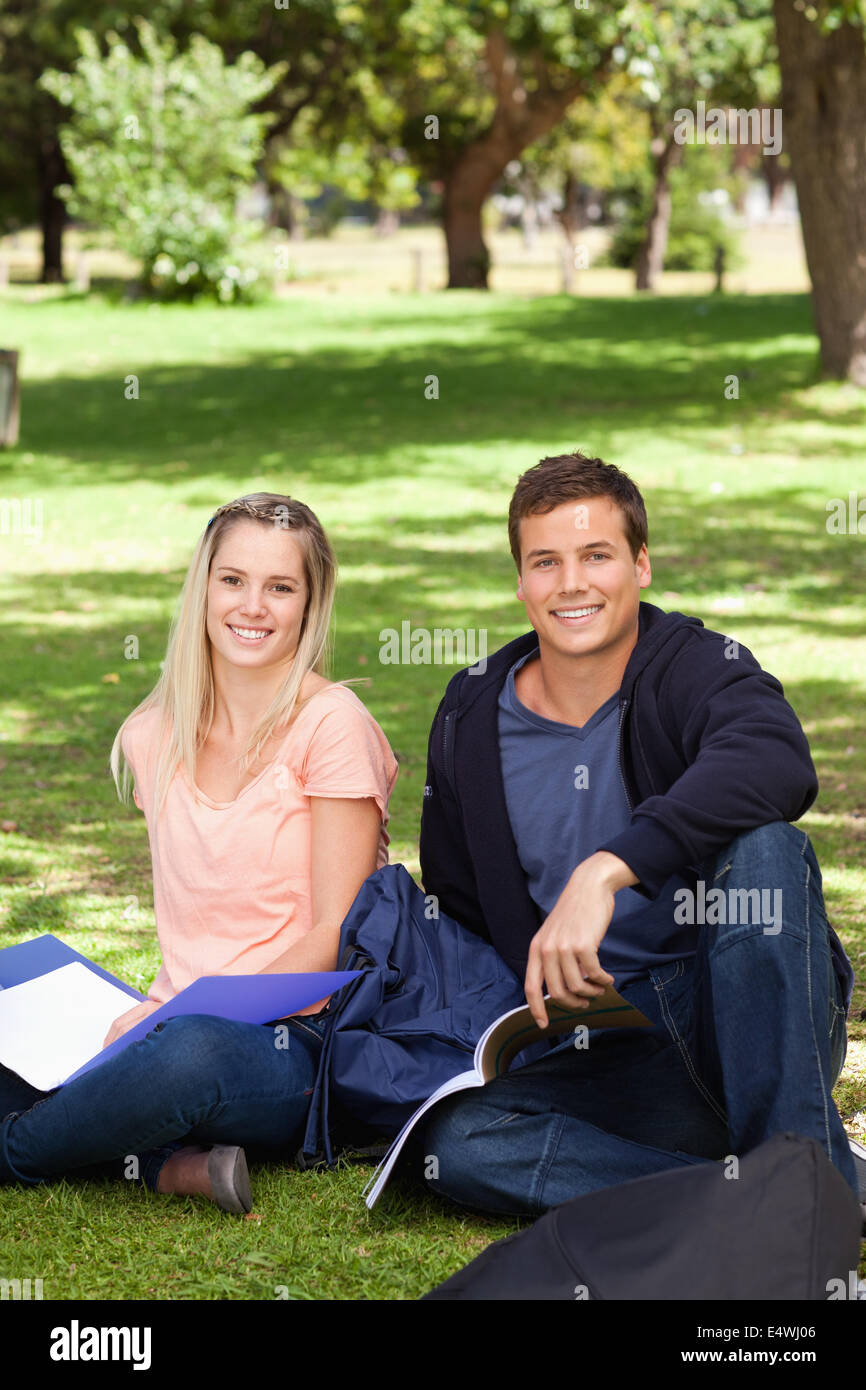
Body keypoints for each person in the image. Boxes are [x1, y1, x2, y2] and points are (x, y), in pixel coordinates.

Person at [417, 451, 859, 1216]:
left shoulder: (695, 665)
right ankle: (769, 1189)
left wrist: (607, 870)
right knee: (457, 1144)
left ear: (640, 564)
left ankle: (792, 1178)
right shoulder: (470, 713)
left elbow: (775, 762)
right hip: (606, 1048)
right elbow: (459, 900)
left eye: (597, 555)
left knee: (768, 851)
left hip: (738, 1005)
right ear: (521, 582)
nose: (572, 583)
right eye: (545, 561)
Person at [0, 493, 398, 1212]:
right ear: (203, 587)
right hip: (159, 1023)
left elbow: (334, 940)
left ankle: (23, 1153)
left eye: (281, 587)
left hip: (294, 1044)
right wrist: (155, 1019)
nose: (253, 605)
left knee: (189, 1060)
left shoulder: (333, 726)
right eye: (233, 580)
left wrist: (170, 1023)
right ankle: (166, 1163)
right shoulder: (153, 734)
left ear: (309, 604)